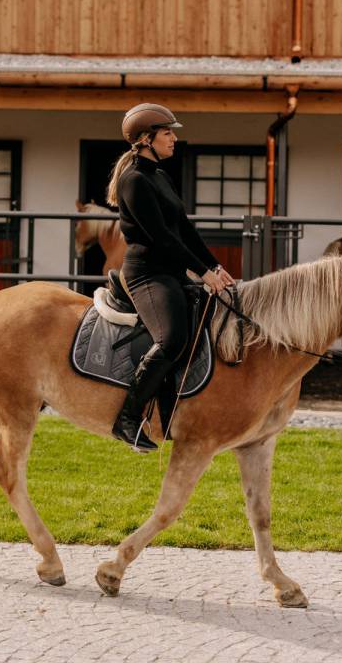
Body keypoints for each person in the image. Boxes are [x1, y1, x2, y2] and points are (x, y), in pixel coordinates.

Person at [105, 103, 236, 452]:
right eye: (167, 133)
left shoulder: (159, 176)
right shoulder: (134, 180)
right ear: (146, 139)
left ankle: (172, 409)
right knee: (173, 338)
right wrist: (204, 273)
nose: (174, 139)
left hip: (171, 271)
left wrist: (215, 267)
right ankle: (128, 418)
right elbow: (162, 238)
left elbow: (185, 230)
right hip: (147, 275)